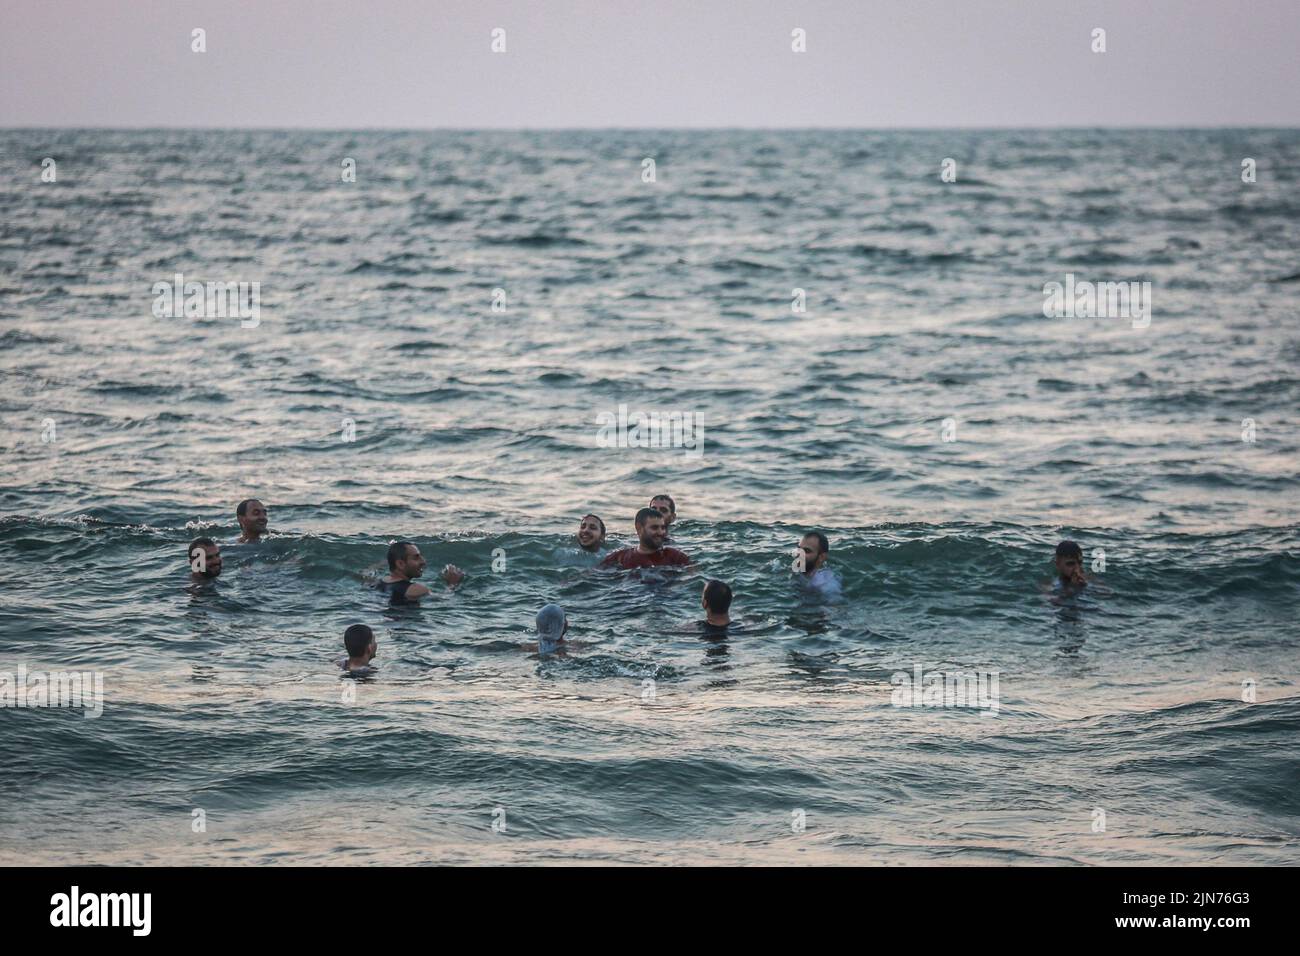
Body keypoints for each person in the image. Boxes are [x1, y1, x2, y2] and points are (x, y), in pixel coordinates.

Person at [375, 540, 465, 605]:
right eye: (416, 558)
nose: (423, 561)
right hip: (408, 627)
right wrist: (452, 584)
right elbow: (446, 599)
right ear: (400, 564)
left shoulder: (380, 582)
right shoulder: (416, 590)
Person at [600, 508, 689, 570]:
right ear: (639, 528)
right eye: (654, 528)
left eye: (662, 527)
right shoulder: (619, 558)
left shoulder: (677, 557)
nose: (661, 532)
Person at [795, 531, 841, 599]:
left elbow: (836, 606)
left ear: (821, 557)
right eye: (799, 549)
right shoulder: (800, 570)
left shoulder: (825, 585)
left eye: (807, 551)